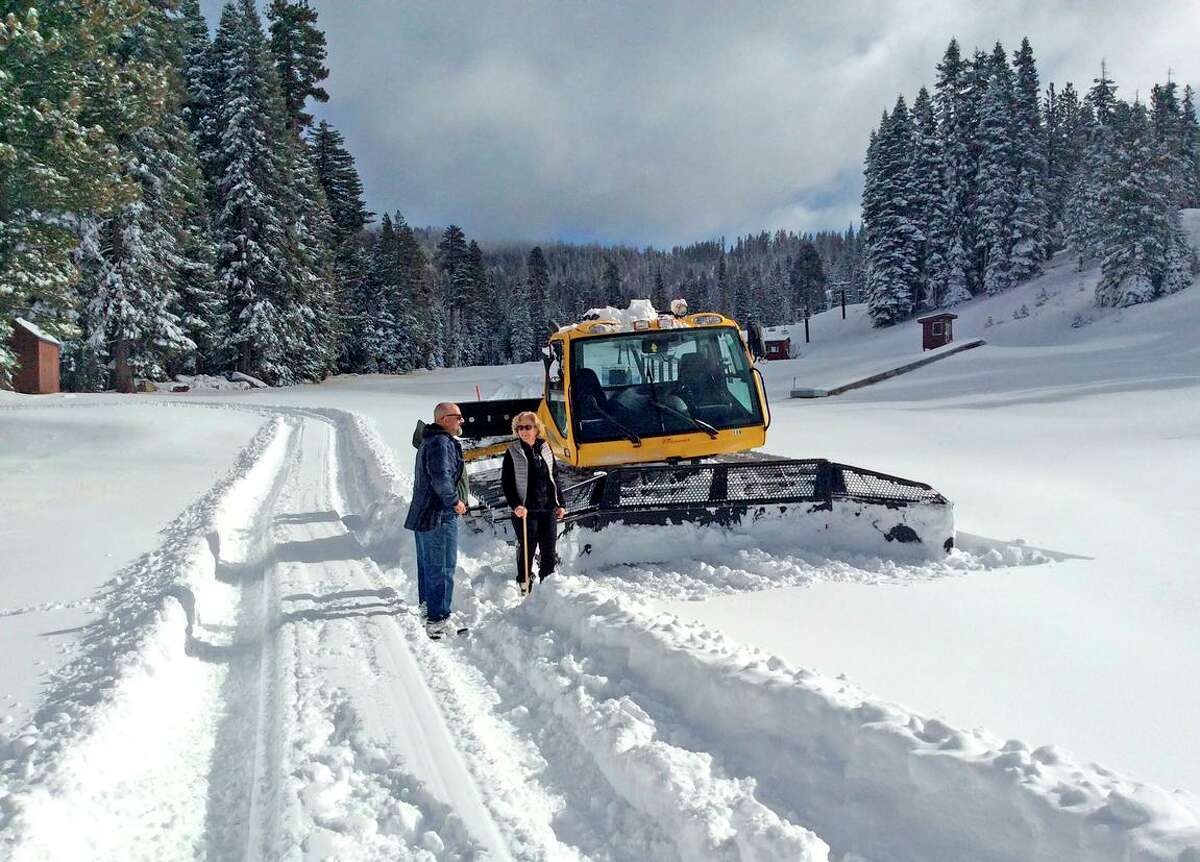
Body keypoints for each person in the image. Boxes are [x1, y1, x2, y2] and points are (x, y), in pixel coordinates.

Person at [403, 402, 467, 638]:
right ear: (443, 419)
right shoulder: (440, 442)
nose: (462, 421)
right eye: (457, 417)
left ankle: (429, 611)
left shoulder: (429, 440)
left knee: (428, 566)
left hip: (424, 515)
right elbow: (441, 478)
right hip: (438, 515)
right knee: (442, 567)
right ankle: (438, 619)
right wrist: (455, 502)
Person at [501, 411, 566, 591]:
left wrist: (561, 503)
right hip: (525, 511)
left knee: (548, 551)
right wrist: (516, 505)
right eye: (519, 428)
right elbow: (506, 483)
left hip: (547, 508)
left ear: (536, 429)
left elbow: (554, 477)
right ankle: (524, 584)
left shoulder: (545, 447)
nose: (523, 431)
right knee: (528, 549)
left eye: (527, 427)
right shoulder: (513, 451)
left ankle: (547, 587)